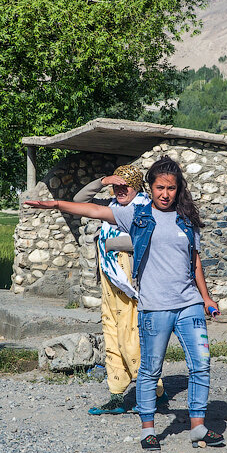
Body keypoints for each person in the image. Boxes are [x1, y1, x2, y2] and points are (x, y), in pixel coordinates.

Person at [26, 157, 224, 451]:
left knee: (201, 365)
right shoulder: (137, 214)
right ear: (150, 187)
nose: (165, 193)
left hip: (189, 304)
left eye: (171, 188)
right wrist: (56, 205)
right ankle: (148, 429)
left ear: (178, 188)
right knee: (150, 369)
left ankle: (198, 427)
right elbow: (92, 208)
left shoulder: (187, 219)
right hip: (154, 306)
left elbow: (194, 261)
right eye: (160, 187)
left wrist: (205, 297)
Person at [72, 166, 168, 415]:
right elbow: (78, 200)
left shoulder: (146, 208)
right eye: (117, 186)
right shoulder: (111, 205)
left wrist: (111, 243)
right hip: (109, 277)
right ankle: (116, 395)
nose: (120, 190)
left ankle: (153, 391)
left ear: (136, 186)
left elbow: (145, 240)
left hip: (131, 281)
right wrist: (102, 180)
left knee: (132, 336)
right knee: (111, 333)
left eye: (125, 185)